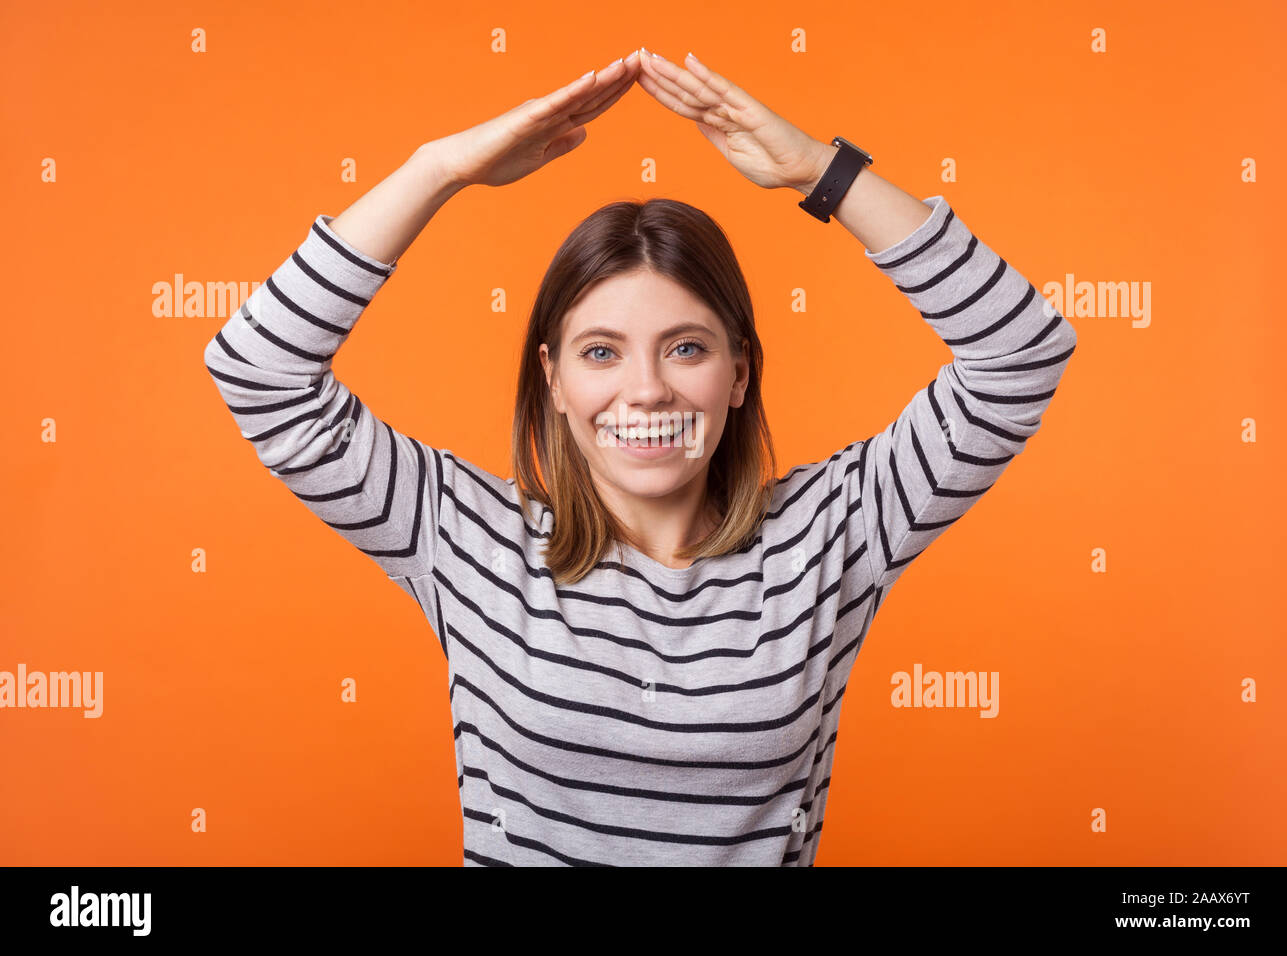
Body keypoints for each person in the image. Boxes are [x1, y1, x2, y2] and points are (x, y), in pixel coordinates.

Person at [203, 49, 1077, 865]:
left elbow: (1020, 356)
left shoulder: (832, 534)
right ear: (551, 377)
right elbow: (260, 372)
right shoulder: (468, 537)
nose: (648, 391)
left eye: (687, 348)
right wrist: (441, 170)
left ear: (739, 372)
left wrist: (821, 171)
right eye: (601, 352)